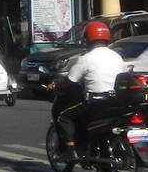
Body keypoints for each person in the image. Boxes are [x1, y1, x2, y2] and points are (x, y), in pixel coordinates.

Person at [53, 20, 126, 156]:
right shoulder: (117, 57)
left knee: (64, 115)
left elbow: (70, 80)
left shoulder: (86, 58)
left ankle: (70, 149)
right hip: (115, 102)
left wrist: (56, 85)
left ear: (87, 38)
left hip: (94, 103)